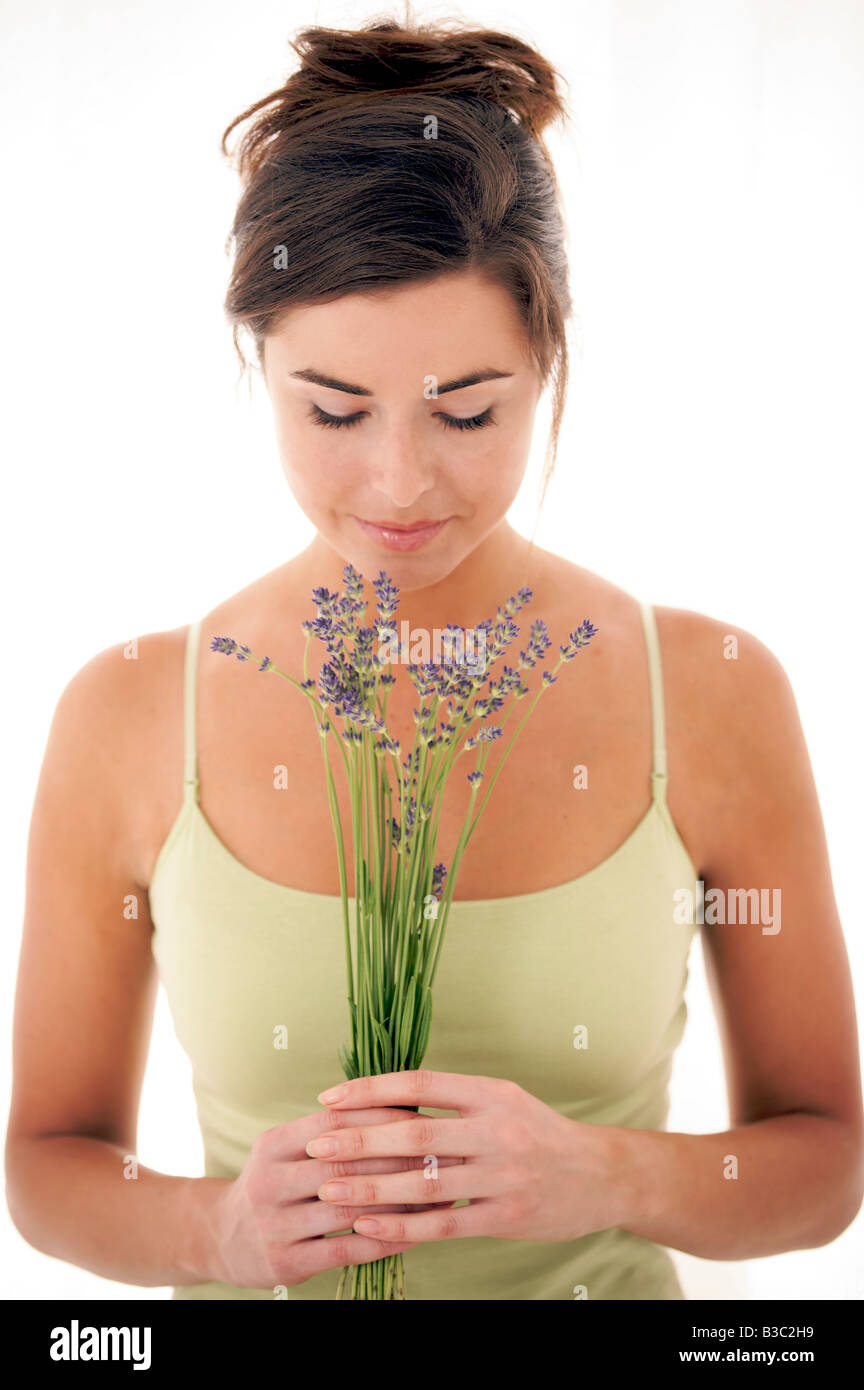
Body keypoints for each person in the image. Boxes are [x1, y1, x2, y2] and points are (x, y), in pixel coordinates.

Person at [6, 14, 863, 1302]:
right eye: (333, 410)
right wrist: (217, 1235)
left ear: (548, 361)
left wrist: (611, 1175)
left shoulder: (713, 688)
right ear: (260, 365)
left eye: (468, 409)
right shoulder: (130, 708)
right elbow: (45, 1162)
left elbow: (828, 1160)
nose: (399, 483)